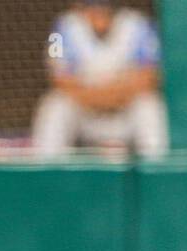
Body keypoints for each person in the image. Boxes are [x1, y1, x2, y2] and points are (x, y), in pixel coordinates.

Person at [32, 2, 168, 158]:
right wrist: (103, 96)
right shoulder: (63, 27)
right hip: (85, 114)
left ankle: (155, 171)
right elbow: (59, 80)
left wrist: (108, 96)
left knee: (149, 105)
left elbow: (148, 78)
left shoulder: (139, 24)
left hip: (124, 114)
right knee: (55, 105)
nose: (99, 11)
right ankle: (47, 171)